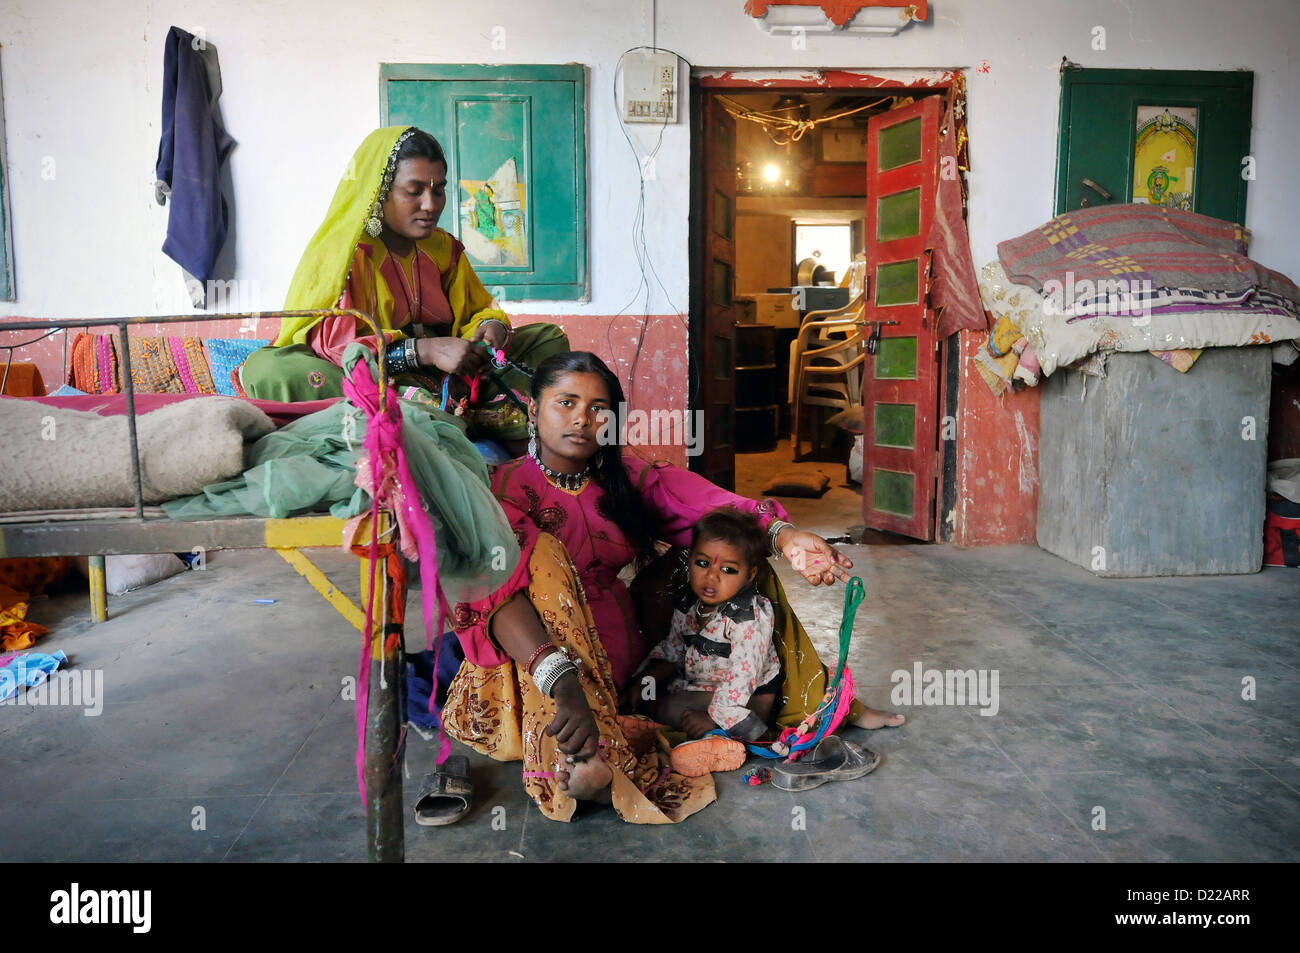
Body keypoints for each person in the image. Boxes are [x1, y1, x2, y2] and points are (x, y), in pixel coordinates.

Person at [440, 351, 903, 823]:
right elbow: (493, 595)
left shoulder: (622, 478)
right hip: (543, 659)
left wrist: (784, 538)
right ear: (534, 409)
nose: (582, 418)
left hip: (627, 651)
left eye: (599, 408)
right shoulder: (501, 490)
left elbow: (703, 506)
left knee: (731, 557)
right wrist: (563, 684)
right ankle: (589, 763)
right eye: (566, 402)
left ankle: (819, 700)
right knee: (540, 557)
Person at [240, 126, 567, 449]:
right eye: (414, 191)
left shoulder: (442, 248)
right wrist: (428, 351)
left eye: (438, 189)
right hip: (380, 380)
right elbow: (338, 349)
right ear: (381, 190)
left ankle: (460, 414)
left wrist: (488, 328)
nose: (431, 204)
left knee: (548, 339)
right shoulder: (346, 255)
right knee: (271, 370)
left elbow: (477, 308)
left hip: (453, 378)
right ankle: (443, 416)